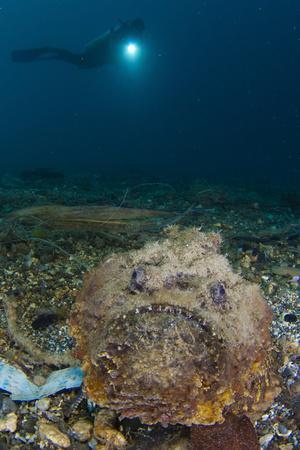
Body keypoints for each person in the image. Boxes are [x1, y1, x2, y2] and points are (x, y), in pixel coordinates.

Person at [11, 18, 145, 68]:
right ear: (135, 29)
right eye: (138, 32)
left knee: (67, 57)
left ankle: (46, 53)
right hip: (91, 56)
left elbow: (115, 54)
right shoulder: (121, 32)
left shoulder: (124, 34)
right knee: (69, 57)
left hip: (94, 58)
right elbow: (111, 46)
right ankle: (47, 52)